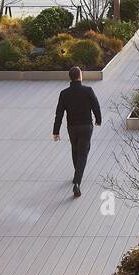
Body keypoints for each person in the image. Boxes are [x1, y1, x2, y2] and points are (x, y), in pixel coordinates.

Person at [53, 65, 101, 197]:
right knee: (83, 154)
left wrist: (56, 131)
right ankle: (77, 183)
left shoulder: (64, 93)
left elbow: (59, 114)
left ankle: (77, 175)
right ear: (80, 76)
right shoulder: (88, 90)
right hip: (86, 126)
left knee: (75, 150)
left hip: (72, 127)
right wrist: (98, 120)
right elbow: (96, 106)